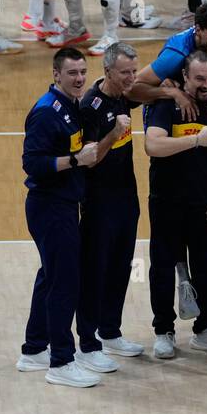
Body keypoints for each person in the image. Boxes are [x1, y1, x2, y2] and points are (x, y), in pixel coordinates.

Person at [17, 48, 103, 387]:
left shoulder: (72, 106)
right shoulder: (46, 113)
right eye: (72, 73)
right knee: (65, 281)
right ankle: (61, 362)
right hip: (50, 206)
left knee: (51, 277)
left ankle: (34, 349)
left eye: (83, 72)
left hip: (63, 205)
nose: (79, 78)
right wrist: (75, 161)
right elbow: (33, 164)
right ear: (56, 75)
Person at [144, 49, 207, 359]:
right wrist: (194, 140)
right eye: (200, 78)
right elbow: (152, 145)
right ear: (185, 77)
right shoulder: (166, 104)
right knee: (161, 268)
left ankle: (206, 329)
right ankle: (164, 330)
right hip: (166, 201)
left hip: (205, 203)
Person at [75, 42, 145, 364]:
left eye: (134, 71)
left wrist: (173, 93)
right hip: (99, 202)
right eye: (125, 72)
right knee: (96, 271)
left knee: (120, 267)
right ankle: (87, 343)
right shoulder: (90, 106)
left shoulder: (122, 96)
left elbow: (148, 87)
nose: (132, 78)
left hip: (126, 198)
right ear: (107, 72)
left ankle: (111, 331)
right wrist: (113, 134)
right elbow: (89, 160)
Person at [127, 2, 207, 109]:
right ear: (198, 30)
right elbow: (130, 90)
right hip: (172, 100)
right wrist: (173, 93)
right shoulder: (175, 56)